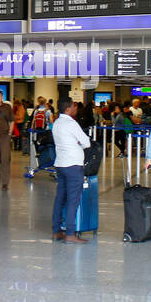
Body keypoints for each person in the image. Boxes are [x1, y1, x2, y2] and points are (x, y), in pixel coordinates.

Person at [51, 96, 91, 243]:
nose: (76, 108)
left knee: (60, 198)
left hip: (60, 164)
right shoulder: (71, 123)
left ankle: (56, 231)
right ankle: (70, 233)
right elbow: (86, 143)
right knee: (73, 200)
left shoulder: (56, 123)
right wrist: (78, 144)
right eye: (74, 106)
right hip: (73, 165)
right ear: (68, 109)